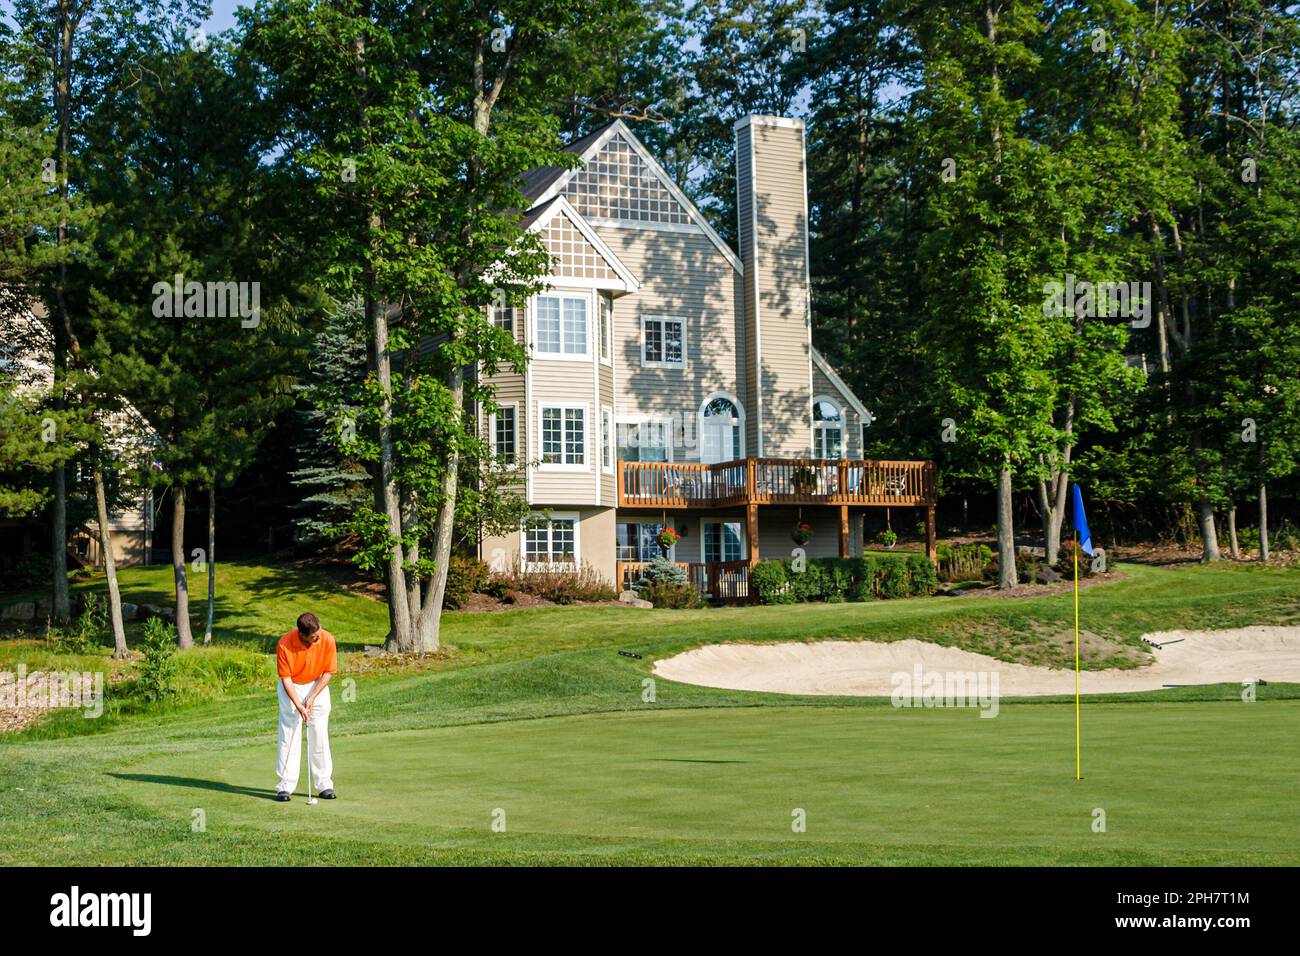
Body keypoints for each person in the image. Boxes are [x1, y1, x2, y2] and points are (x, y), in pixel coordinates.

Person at [274, 612, 338, 801]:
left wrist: (311, 698)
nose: (319, 637)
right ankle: (285, 785)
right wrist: (299, 705)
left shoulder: (327, 639)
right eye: (314, 636)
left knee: (319, 733)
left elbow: (328, 672)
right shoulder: (284, 644)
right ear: (302, 634)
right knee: (289, 734)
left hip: (317, 685)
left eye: (319, 632)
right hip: (292, 687)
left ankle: (324, 784)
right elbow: (285, 679)